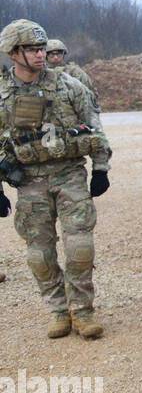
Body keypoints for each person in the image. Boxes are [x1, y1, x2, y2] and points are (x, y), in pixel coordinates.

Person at [0, 19, 111, 339]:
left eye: (41, 48)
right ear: (12, 53)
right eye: (31, 49)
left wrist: (101, 168)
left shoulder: (68, 86)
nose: (40, 54)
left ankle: (82, 310)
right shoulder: (3, 94)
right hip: (29, 181)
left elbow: (94, 126)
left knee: (80, 245)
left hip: (70, 174)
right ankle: (59, 310)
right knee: (39, 253)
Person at [45, 39, 101, 114]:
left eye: (59, 54)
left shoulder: (75, 72)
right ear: (45, 55)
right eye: (51, 54)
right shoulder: (39, 73)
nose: (55, 57)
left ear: (63, 54)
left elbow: (91, 95)